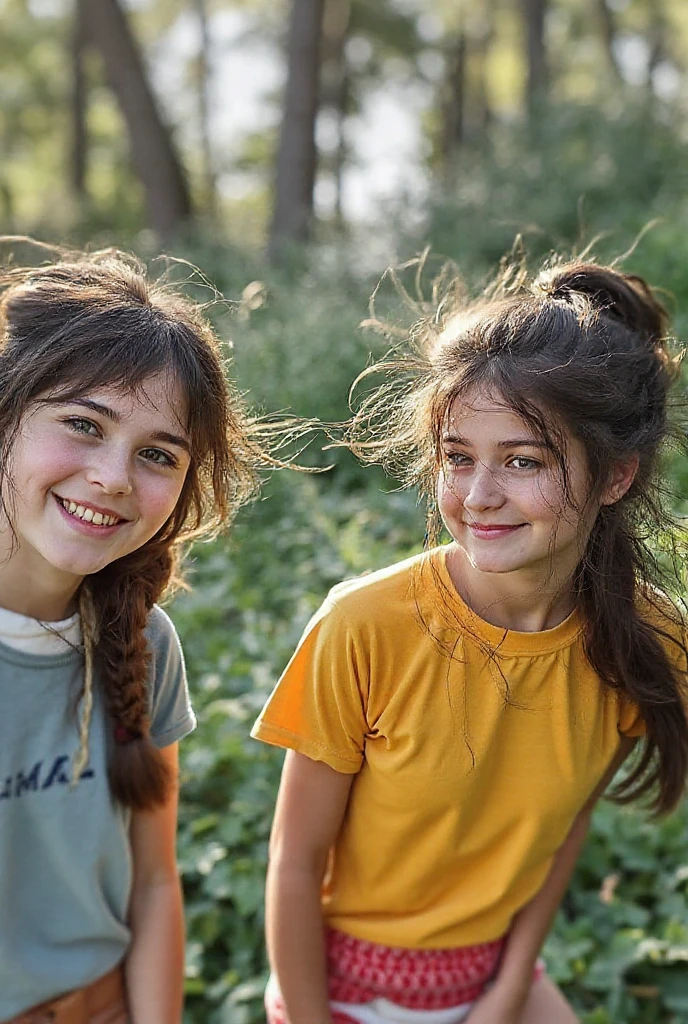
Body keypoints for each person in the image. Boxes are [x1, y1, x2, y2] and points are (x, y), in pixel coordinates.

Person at [252, 257, 688, 1024]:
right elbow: (294, 866)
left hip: (498, 979)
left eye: (522, 462)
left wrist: (510, 988)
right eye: (458, 458)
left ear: (615, 477)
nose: (479, 496)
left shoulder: (648, 639)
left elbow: (567, 826)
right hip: (342, 991)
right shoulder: (364, 626)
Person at [0, 243, 269, 1024]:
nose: (114, 477)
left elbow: (153, 883)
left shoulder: (144, 644)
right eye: (83, 424)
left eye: (157, 454)